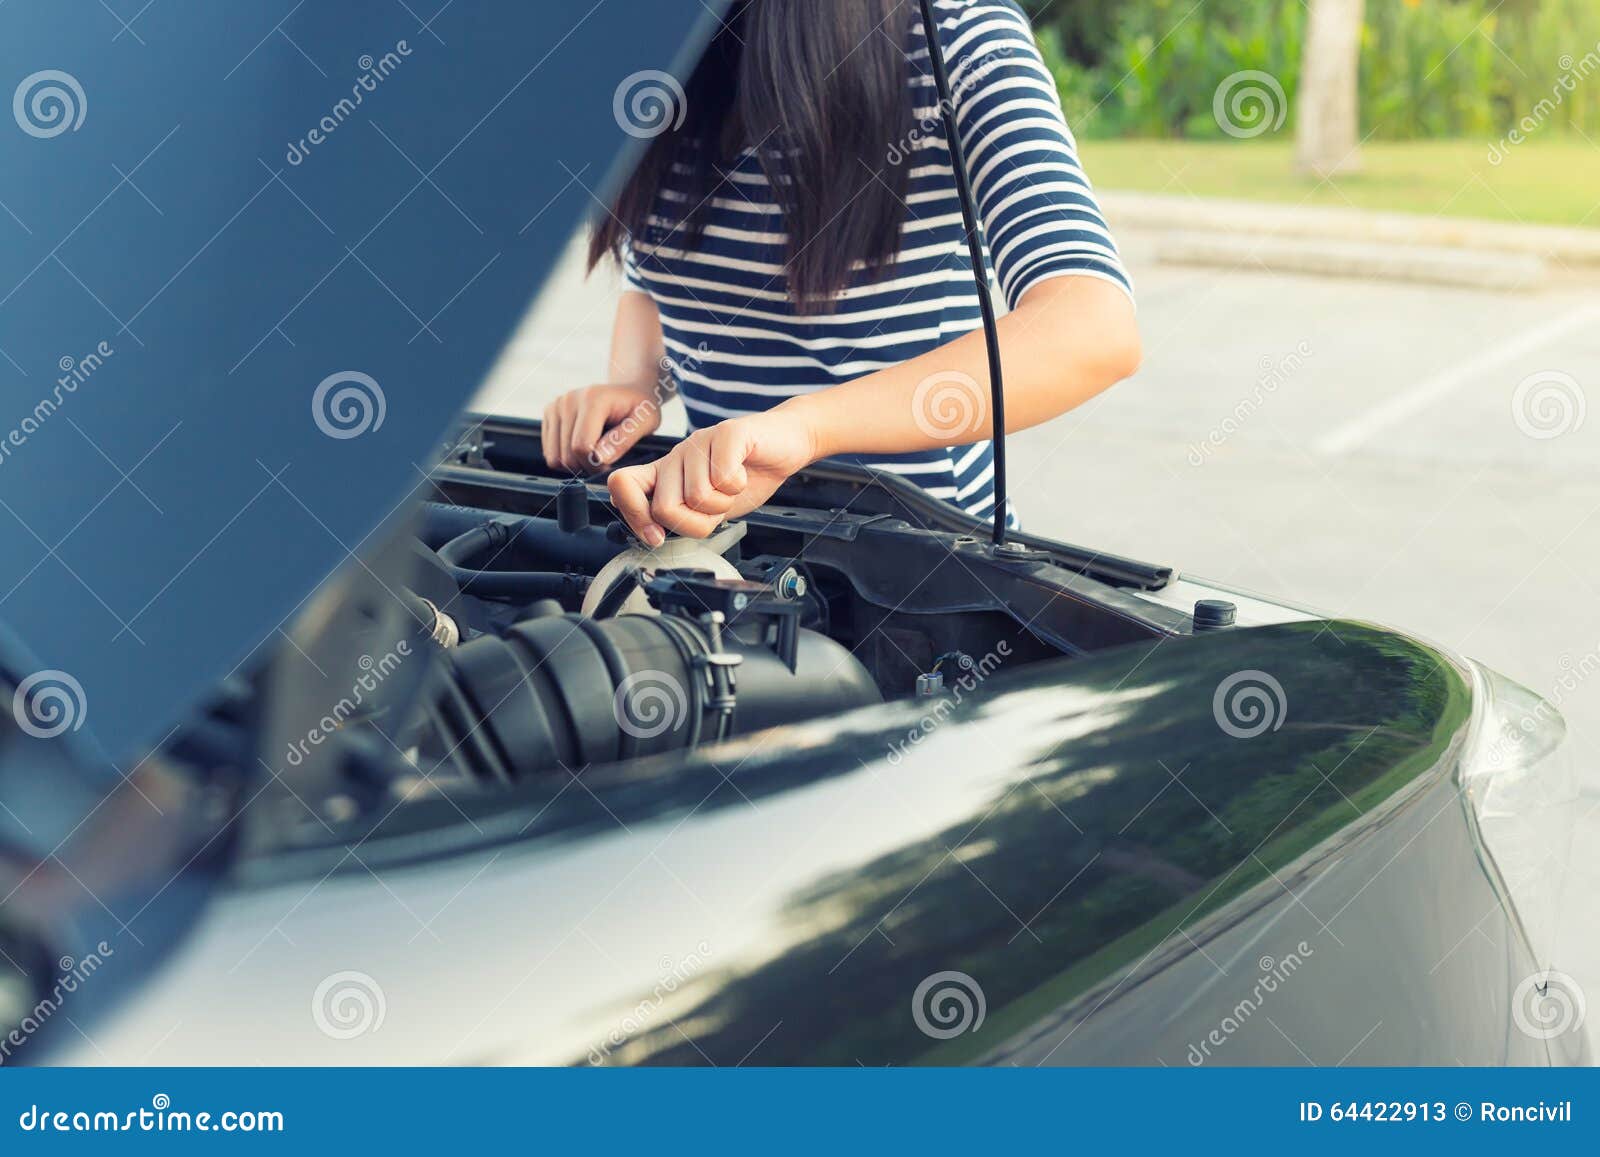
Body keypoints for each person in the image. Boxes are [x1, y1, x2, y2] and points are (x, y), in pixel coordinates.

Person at [543, 0, 1139, 547]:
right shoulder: (670, 46)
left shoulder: (960, 39)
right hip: (719, 550)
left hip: (915, 573)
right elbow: (650, 278)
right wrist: (638, 386)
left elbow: (1092, 325)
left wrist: (806, 429)